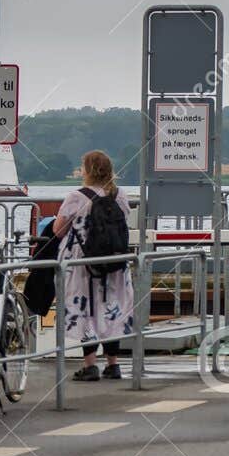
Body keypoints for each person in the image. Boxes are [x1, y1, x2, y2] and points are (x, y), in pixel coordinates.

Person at [54, 150, 134, 381]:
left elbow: (58, 231)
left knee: (86, 311)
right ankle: (113, 364)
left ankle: (90, 365)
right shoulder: (119, 195)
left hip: (83, 264)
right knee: (112, 309)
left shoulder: (77, 197)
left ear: (87, 170)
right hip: (114, 262)